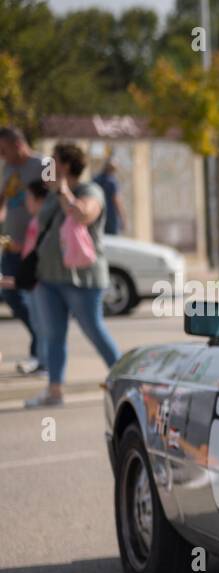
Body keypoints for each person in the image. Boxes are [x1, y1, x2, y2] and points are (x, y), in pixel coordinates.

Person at [24, 142, 120, 409]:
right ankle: (54, 392)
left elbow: (82, 214)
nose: (48, 166)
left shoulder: (91, 190)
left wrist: (63, 190)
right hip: (48, 277)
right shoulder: (51, 194)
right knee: (53, 335)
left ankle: (125, 380)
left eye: (53, 161)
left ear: (65, 165)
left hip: (82, 279)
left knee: (94, 331)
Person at [0, 126, 49, 374]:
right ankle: (40, 344)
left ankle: (42, 354)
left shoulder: (43, 164)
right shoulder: (8, 168)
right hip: (10, 245)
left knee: (37, 300)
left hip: (34, 248)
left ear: (18, 145)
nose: (1, 155)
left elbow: (53, 203)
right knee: (10, 295)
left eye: (3, 150)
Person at [92, 158, 127, 236]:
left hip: (97, 216)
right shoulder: (112, 182)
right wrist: (123, 218)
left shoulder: (96, 179)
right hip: (111, 217)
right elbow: (117, 200)